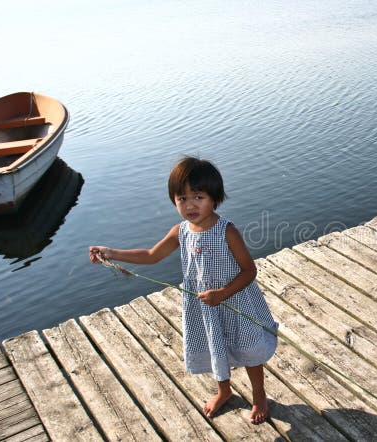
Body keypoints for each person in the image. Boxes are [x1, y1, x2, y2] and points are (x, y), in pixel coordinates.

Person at [89, 156, 278, 424]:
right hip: (204, 304)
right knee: (215, 346)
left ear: (214, 198)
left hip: (233, 300)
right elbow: (151, 255)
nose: (190, 205)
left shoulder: (226, 231)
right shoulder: (181, 232)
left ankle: (259, 394)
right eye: (182, 198)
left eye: (198, 197)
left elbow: (249, 270)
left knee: (248, 349)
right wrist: (112, 252)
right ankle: (224, 391)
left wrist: (223, 293)